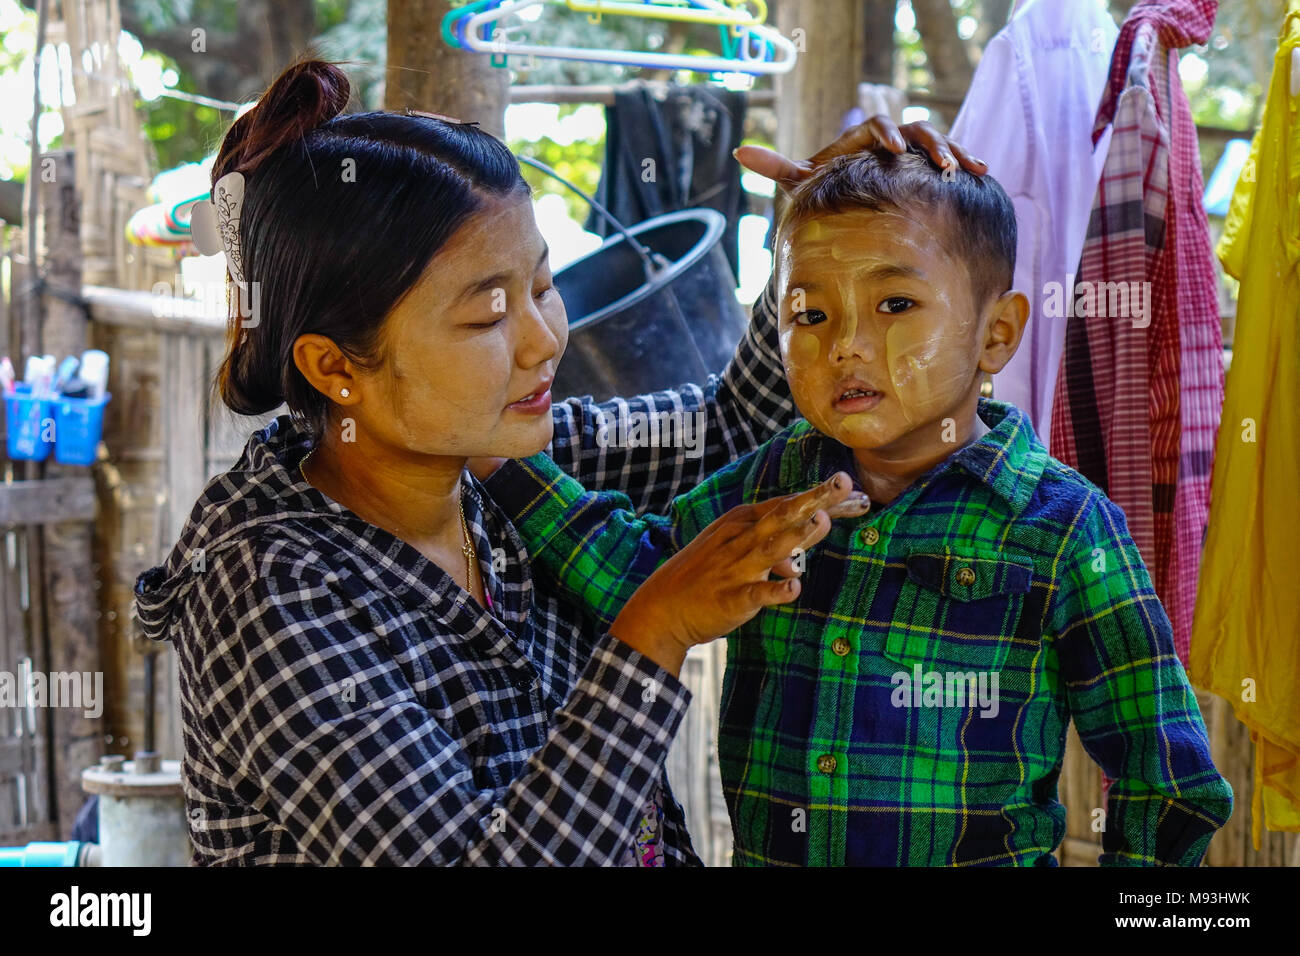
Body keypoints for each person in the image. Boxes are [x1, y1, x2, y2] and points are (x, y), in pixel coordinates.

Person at [133, 58, 982, 866]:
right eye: (486, 316)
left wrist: (815, 233)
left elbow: (726, 430)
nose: (546, 339)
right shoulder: (268, 583)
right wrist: (659, 626)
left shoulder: (499, 471)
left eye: (541, 286)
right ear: (334, 367)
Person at [478, 148, 1235, 866]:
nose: (844, 345)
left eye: (895, 303)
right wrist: (497, 458)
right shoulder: (778, 478)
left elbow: (1165, 774)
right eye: (810, 315)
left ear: (996, 334)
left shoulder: (1065, 530)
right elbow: (638, 576)